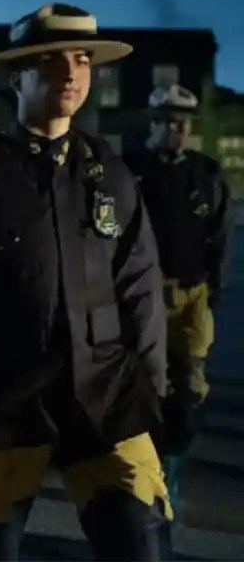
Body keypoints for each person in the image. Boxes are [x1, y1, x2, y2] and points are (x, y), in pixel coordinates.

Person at [0, 3, 171, 560]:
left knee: (141, 540)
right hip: (4, 400)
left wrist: (155, 386)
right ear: (16, 77)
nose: (70, 73)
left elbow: (140, 285)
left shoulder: (110, 174)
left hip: (105, 395)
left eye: (81, 59)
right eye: (50, 61)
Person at [123, 84, 230, 516]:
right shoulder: (132, 171)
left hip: (191, 293)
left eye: (184, 123)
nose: (178, 130)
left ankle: (173, 465)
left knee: (190, 384)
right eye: (168, 122)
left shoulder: (205, 174)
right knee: (147, 384)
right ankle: (145, 471)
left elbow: (217, 236)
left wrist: (213, 288)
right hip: (145, 294)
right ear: (152, 123)